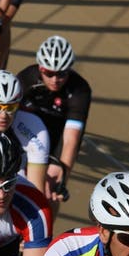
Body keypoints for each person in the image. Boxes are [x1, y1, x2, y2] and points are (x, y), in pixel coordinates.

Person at [17, 35, 92, 215]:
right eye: (48, 73)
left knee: (49, 191)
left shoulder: (80, 89)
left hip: (57, 135)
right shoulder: (28, 76)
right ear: (39, 68)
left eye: (62, 73)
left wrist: (61, 171)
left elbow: (71, 139)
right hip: (26, 128)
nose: (55, 79)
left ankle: (46, 229)